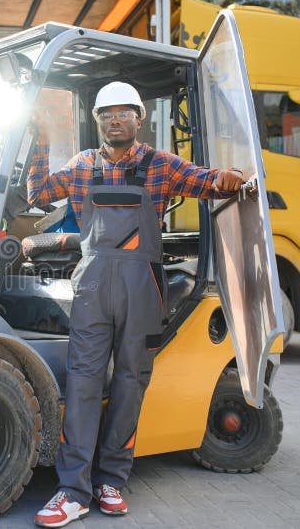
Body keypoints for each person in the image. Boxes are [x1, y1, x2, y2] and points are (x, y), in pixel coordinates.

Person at [30, 81, 245, 527]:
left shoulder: (162, 166)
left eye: (124, 112)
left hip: (143, 288)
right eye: (106, 113)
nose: (115, 119)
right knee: (83, 383)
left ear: (139, 118)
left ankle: (111, 479)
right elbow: (37, 195)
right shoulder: (80, 167)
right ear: (97, 121)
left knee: (131, 383)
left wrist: (231, 179)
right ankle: (72, 490)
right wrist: (40, 142)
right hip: (91, 290)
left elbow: (208, 183)